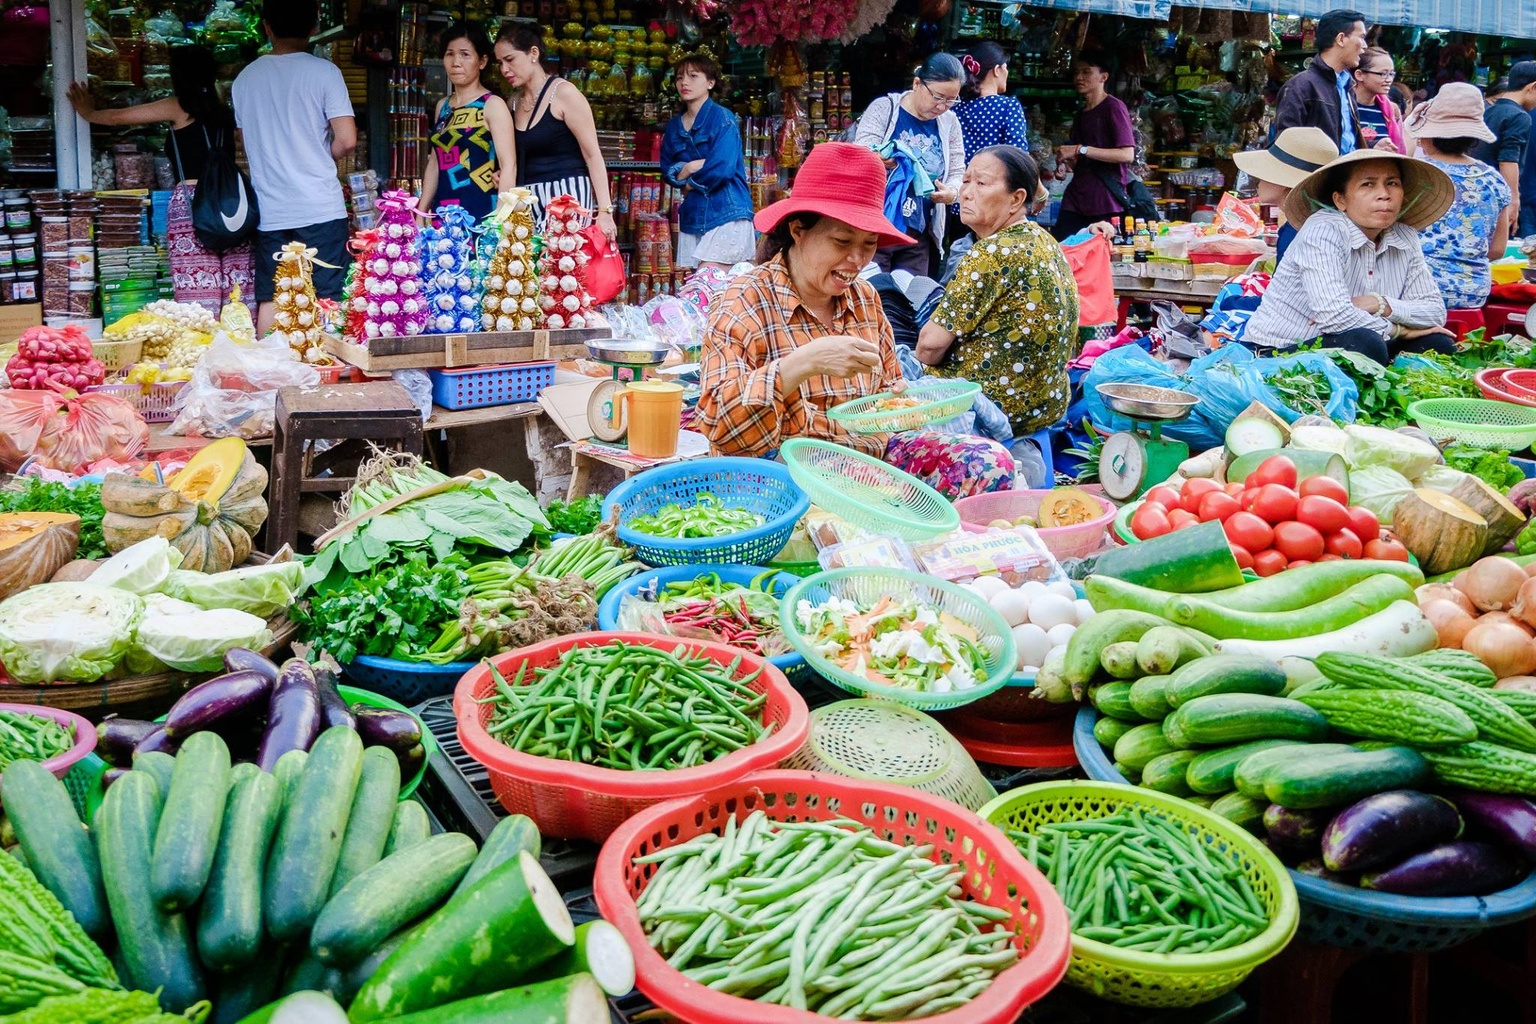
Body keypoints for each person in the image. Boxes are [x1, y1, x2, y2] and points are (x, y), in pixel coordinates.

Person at [699, 142, 1015, 499]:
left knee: (987, 462)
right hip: (782, 472)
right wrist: (802, 364)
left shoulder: (864, 298)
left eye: (868, 244)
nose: (857, 260)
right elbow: (720, 426)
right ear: (798, 231)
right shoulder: (743, 301)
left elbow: (887, 392)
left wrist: (899, 402)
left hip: (867, 461)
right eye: (841, 241)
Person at [69, 45, 253, 314]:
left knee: (197, 286)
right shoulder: (224, 112)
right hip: (232, 203)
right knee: (237, 286)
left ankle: (203, 336)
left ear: (177, 76)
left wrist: (89, 113)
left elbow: (119, 117)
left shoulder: (178, 106)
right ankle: (240, 335)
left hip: (191, 203)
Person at [915, 146, 1078, 440]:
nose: (966, 193)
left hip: (995, 408)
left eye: (981, 183)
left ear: (1016, 199)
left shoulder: (992, 252)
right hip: (1044, 406)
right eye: (965, 181)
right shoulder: (1046, 241)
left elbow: (929, 348)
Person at [1243, 151, 1455, 364]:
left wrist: (1379, 303)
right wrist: (1399, 331)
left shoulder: (1405, 236)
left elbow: (1435, 312)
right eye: (1368, 184)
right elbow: (1335, 317)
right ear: (1340, 200)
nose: (1384, 194)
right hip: (1281, 350)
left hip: (1364, 338)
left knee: (1438, 344)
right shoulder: (1324, 230)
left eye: (1392, 183)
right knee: (1365, 344)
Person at [232, 0, 356, 335]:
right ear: (314, 27)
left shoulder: (245, 78)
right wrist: (319, 156)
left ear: (266, 27)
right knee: (329, 296)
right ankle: (331, 364)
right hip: (320, 206)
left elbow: (244, 140)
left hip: (272, 210)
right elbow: (347, 140)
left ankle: (268, 364)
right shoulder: (325, 72)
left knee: (272, 297)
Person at [495, 25, 616, 240]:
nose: (504, 69)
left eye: (510, 59)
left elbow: (593, 155)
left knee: (564, 260)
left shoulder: (564, 93)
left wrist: (605, 212)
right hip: (527, 200)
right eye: (500, 63)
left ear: (533, 53)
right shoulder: (512, 102)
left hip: (566, 198)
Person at [852, 54, 966, 277]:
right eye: (938, 97)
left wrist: (952, 193)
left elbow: (957, 171)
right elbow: (861, 153)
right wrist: (878, 159)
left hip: (919, 230)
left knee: (912, 292)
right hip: (875, 227)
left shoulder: (949, 122)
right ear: (917, 84)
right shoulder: (885, 108)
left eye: (951, 100)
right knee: (872, 288)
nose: (943, 106)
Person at [1413, 84, 1510, 310]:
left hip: (1417, 288)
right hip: (1473, 292)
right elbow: (1497, 249)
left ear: (1429, 133)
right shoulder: (1493, 179)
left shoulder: (1414, 174)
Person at [660, 51, 755, 272]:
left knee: (712, 279)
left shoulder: (723, 118)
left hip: (726, 210)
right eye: (679, 77)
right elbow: (667, 170)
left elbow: (722, 167)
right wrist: (689, 168)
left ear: (710, 82)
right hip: (693, 214)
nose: (684, 82)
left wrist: (689, 181)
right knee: (700, 282)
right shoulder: (674, 127)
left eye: (693, 76)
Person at [419, 23, 514, 223]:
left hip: (481, 210)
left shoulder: (492, 105)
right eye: (450, 54)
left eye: (465, 54)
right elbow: (435, 162)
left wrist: (499, 220)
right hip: (444, 209)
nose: (456, 62)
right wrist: (421, 213)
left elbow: (508, 166)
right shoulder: (443, 106)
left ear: (482, 61)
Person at [1052, 50, 1135, 241]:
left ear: (1103, 77)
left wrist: (1080, 149)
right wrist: (1066, 164)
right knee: (1063, 246)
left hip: (1104, 199)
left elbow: (1126, 154)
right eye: (1076, 72)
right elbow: (1081, 158)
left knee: (1100, 251)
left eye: (1086, 72)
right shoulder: (1081, 114)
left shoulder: (1114, 107)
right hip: (1077, 197)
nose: (1079, 77)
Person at [1233, 127, 1339, 265]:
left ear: (1283, 181)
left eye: (1263, 174)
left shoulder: (1297, 231)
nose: (1258, 181)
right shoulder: (1313, 224)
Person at [1270, 9, 1368, 154]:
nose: (1365, 46)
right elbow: (1287, 146)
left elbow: (1347, 140)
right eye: (1362, 37)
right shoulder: (1300, 86)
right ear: (1341, 39)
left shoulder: (1347, 86)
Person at [1473, 62, 1536, 243]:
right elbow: (1508, 160)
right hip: (1500, 198)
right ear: (1532, 87)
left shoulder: (1490, 111)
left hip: (1481, 193)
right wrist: (1513, 200)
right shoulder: (1520, 117)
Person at [954, 41, 1028, 163]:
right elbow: (1018, 156)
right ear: (997, 70)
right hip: (994, 174)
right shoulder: (1008, 107)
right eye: (1005, 67)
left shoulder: (956, 107)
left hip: (960, 175)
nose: (1007, 72)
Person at [1352, 47, 1406, 153]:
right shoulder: (1344, 106)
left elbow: (1400, 150)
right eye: (1383, 74)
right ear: (1359, 75)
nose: (1389, 80)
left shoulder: (1390, 110)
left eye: (1391, 74)